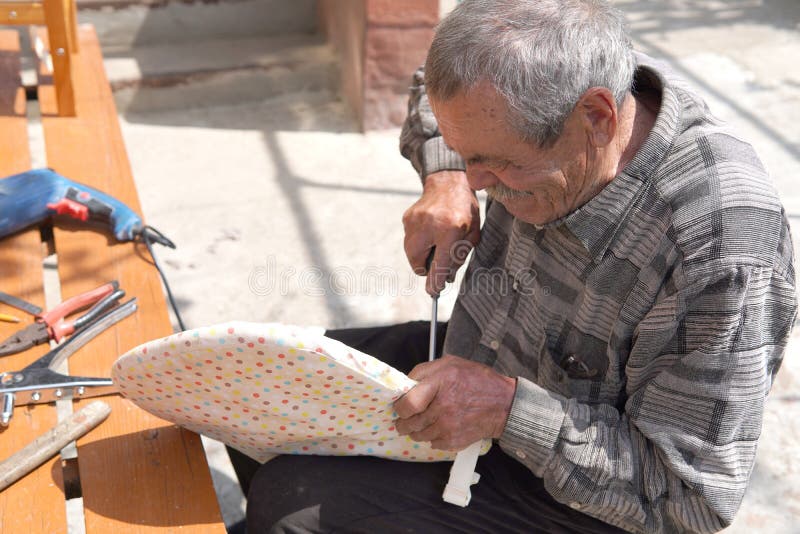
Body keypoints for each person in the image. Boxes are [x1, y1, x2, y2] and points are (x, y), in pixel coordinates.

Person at [241, 1, 797, 532]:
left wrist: (508, 410)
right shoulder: (522, 97)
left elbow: (688, 499)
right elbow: (436, 94)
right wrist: (446, 176)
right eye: (469, 153)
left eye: (500, 163)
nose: (481, 183)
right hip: (486, 352)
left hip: (584, 489)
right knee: (256, 384)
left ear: (598, 117)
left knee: (293, 506)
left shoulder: (720, 250)